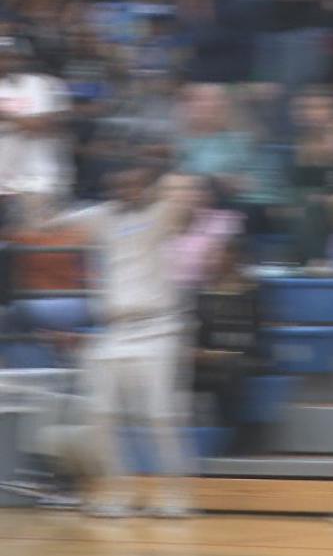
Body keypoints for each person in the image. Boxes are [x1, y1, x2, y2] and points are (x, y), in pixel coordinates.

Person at [36, 160, 194, 518]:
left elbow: (185, 206)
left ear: (147, 187)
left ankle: (177, 496)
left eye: (133, 185)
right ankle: (119, 492)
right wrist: (39, 199)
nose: (126, 192)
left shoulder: (161, 214)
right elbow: (51, 222)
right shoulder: (101, 216)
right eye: (119, 186)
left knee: (159, 416)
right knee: (99, 414)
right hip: (114, 331)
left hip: (158, 328)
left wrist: (170, 182)